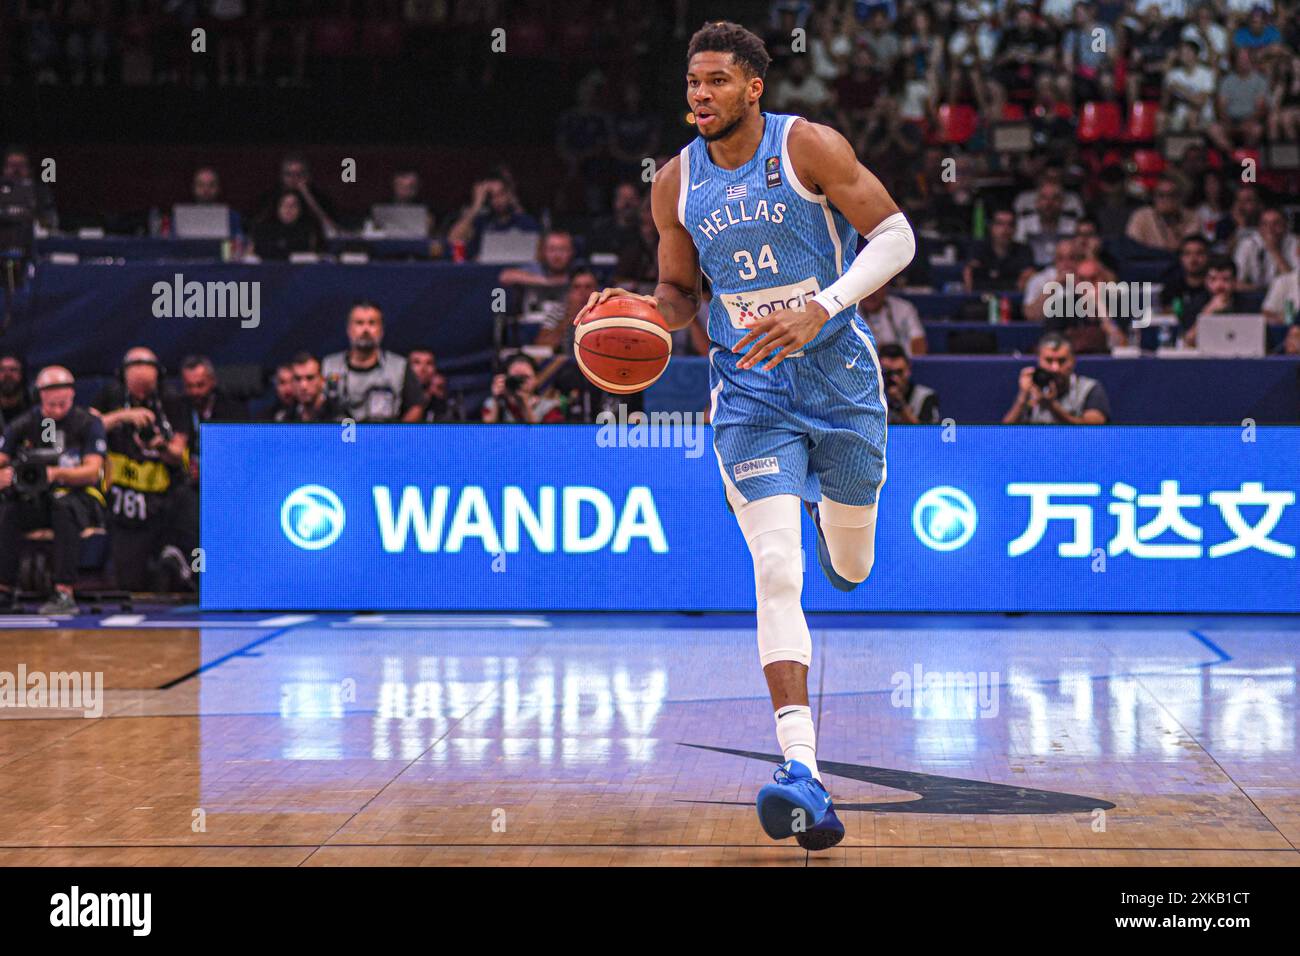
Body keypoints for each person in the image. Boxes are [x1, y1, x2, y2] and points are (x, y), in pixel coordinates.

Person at [576, 21, 915, 852]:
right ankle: (802, 770)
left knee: (852, 566)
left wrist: (822, 307)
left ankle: (832, 525)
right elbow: (678, 289)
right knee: (773, 567)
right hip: (747, 396)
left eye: (718, 81)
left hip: (840, 388)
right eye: (692, 82)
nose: (700, 95)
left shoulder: (809, 148)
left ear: (754, 87)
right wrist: (644, 314)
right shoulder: (674, 183)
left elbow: (897, 236)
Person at [0, 366, 107, 614]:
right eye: (51, 406)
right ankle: (4, 589)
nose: (57, 411)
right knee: (8, 511)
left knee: (63, 506)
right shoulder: (23, 423)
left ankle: (63, 592)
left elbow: (92, 472)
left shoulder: (88, 423)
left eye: (62, 404)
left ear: (72, 396)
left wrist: (56, 474)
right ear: (40, 397)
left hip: (79, 499)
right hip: (36, 500)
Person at [93, 348, 196, 592]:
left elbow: (178, 453)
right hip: (125, 503)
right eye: (136, 388)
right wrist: (124, 416)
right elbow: (88, 427)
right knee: (129, 584)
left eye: (146, 388)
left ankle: (175, 560)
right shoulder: (110, 396)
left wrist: (159, 444)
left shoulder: (173, 401)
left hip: (165, 499)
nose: (141, 394)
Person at [320, 301, 424, 422]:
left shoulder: (399, 367)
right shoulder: (329, 366)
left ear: (381, 330)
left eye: (372, 323)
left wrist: (397, 436)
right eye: (359, 323)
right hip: (338, 437)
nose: (365, 329)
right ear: (349, 329)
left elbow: (416, 405)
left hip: (384, 437)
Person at [1003, 332, 1110, 424]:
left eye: (1061, 361)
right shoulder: (1030, 389)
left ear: (1073, 361)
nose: (1055, 368)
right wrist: (1022, 399)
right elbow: (1003, 436)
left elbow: (1094, 431)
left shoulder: (1090, 389)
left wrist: (1052, 406)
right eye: (1049, 361)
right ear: (1039, 361)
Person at [857, 282, 926, 356]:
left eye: (875, 288)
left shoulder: (904, 308)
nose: (871, 294)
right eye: (867, 289)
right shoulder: (852, 313)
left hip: (901, 363)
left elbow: (918, 340)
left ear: (885, 286)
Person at [877, 343, 939, 424]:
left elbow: (926, 434)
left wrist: (899, 403)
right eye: (888, 373)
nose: (894, 378)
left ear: (908, 369)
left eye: (899, 372)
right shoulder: (872, 397)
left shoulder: (925, 397)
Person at [0, 351, 31, 431]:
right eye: (2, 370)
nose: (7, 375)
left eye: (13, 370)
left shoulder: (34, 408)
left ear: (21, 374)